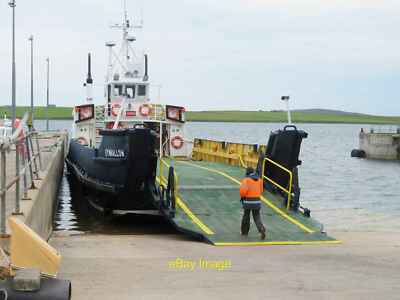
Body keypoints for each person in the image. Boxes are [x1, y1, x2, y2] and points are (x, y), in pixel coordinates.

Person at [240, 167, 266, 239]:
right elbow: (261, 191)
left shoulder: (246, 180)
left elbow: (243, 191)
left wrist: (242, 197)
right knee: (257, 216)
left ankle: (244, 232)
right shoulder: (259, 180)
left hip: (248, 201)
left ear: (247, 173)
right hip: (257, 201)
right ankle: (261, 229)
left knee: (246, 215)